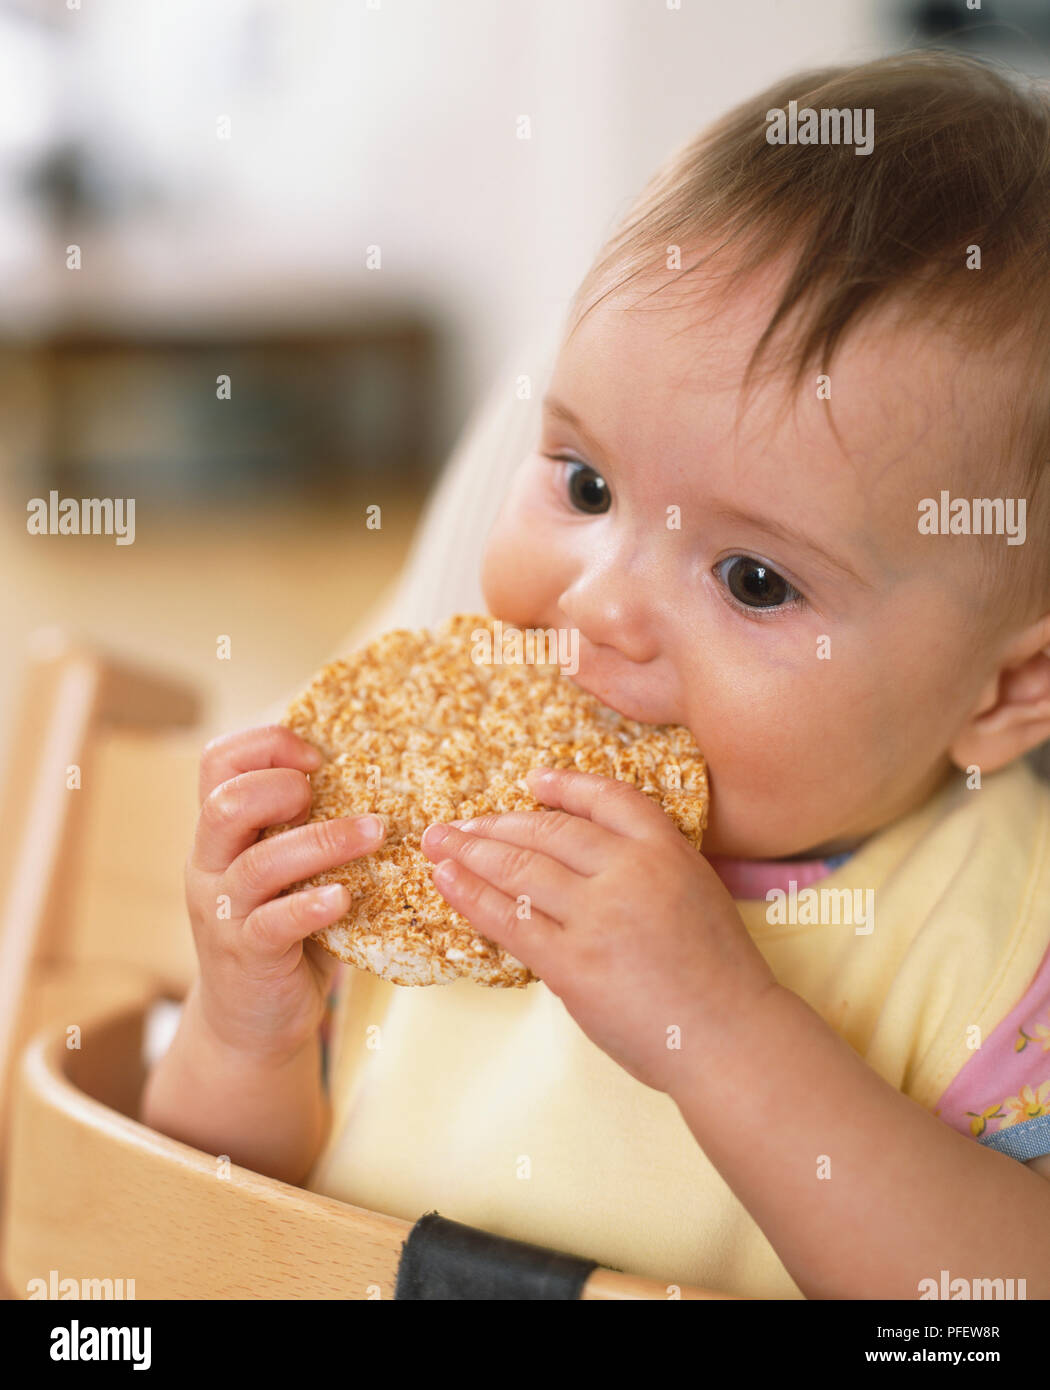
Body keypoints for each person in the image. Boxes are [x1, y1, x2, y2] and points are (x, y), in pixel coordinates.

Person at [141, 50, 1050, 1299]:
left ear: (1003, 694)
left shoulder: (1001, 939)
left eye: (754, 580)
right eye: (584, 483)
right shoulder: (412, 832)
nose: (600, 601)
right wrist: (250, 1029)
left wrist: (725, 1034)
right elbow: (193, 1239)